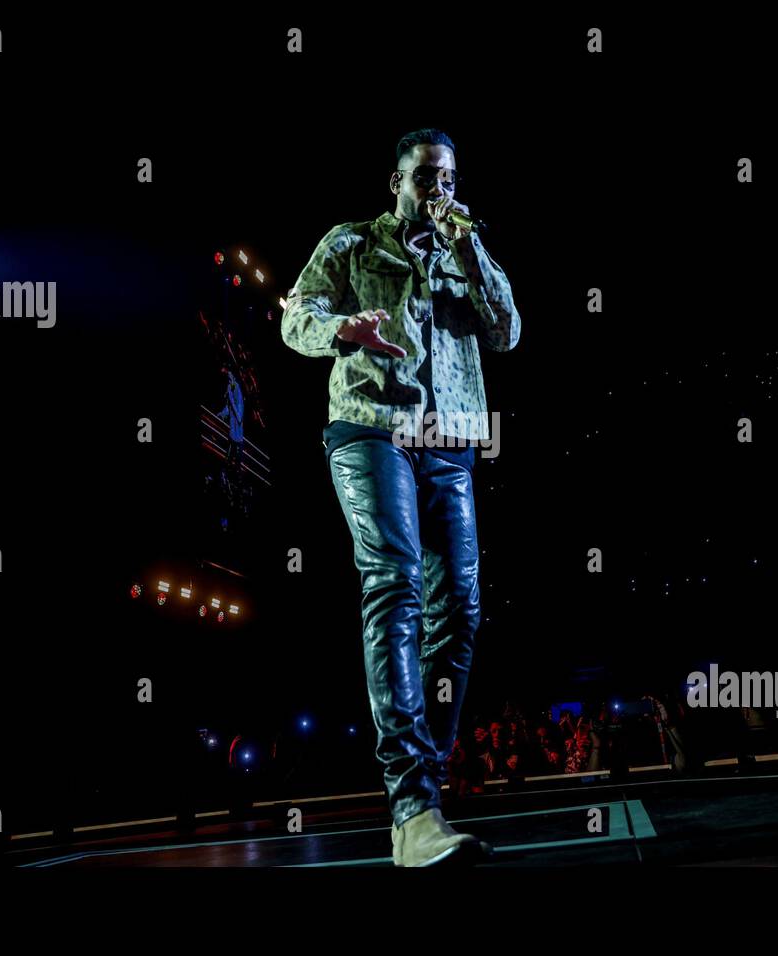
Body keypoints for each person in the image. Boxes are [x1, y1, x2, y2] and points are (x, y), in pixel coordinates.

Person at [281, 128, 520, 866]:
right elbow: (295, 317)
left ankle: (430, 780)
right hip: (370, 427)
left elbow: (507, 330)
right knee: (396, 583)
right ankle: (411, 805)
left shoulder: (463, 250)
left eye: (446, 177)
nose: (435, 189)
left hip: (449, 438)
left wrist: (469, 245)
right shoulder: (351, 243)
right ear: (396, 182)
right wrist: (341, 328)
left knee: (464, 605)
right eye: (422, 177)